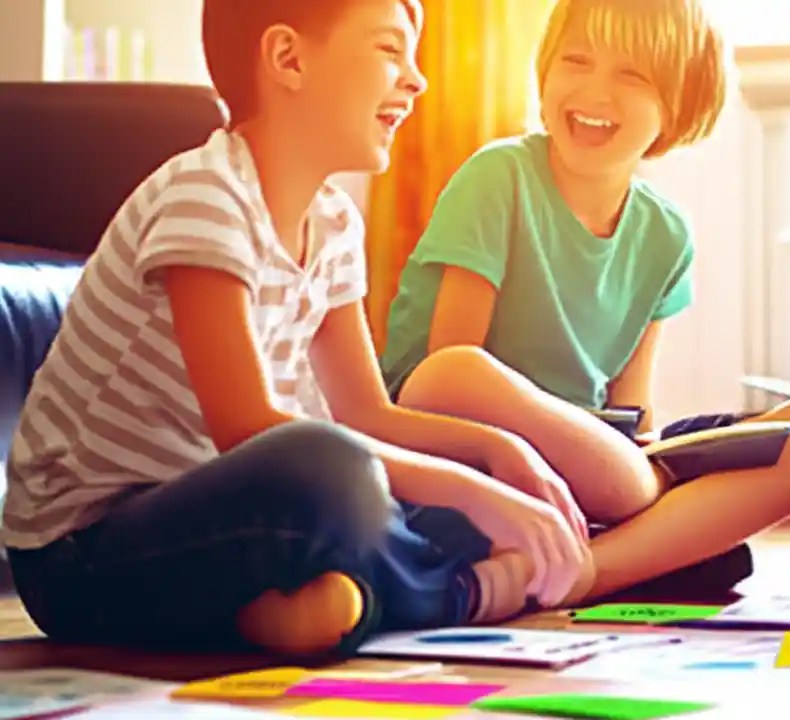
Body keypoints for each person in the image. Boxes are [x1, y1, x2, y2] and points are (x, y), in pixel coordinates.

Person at [0, 0, 602, 658]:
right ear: (288, 59)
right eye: (388, 49)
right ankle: (454, 595)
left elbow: (370, 413)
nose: (416, 78)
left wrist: (497, 453)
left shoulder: (336, 224)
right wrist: (473, 491)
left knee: (406, 486)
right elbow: (248, 428)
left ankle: (306, 610)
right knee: (332, 469)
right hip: (79, 555)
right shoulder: (206, 196)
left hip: (218, 527)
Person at [380, 0, 790, 600]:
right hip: (461, 439)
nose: (593, 90)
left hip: (590, 456)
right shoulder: (497, 176)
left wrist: (629, 453)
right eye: (576, 61)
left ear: (679, 102)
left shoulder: (666, 234)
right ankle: (645, 538)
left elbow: (630, 407)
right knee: (460, 376)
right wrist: (623, 471)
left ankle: (585, 570)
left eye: (630, 75)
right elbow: (445, 378)